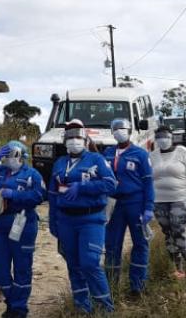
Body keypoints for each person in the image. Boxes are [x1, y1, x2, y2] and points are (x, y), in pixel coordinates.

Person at [47, 119, 117, 314]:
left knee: (90, 263)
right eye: (69, 136)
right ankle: (82, 306)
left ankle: (105, 308)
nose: (73, 140)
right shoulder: (60, 163)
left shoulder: (96, 160)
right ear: (64, 140)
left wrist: (83, 187)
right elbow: (52, 195)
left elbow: (111, 184)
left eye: (77, 136)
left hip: (91, 219)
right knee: (73, 264)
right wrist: (53, 221)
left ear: (85, 139)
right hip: (66, 220)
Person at [0, 141, 45, 318]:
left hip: (23, 222)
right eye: (5, 154)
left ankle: (19, 308)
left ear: (20, 156)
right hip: (0, 223)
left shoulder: (32, 174)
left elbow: (39, 196)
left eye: (11, 154)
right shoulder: (0, 171)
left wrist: (14, 194)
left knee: (22, 267)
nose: (8, 158)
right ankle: (12, 301)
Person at [103, 118, 154, 298]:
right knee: (111, 244)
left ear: (130, 130)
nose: (118, 131)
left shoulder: (140, 154)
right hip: (114, 204)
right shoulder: (108, 153)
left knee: (140, 243)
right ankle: (110, 285)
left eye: (122, 128)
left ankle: (137, 286)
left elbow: (148, 183)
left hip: (135, 203)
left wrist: (148, 207)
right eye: (115, 128)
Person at [149, 125, 186, 279]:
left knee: (179, 231)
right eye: (158, 136)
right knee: (168, 233)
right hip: (159, 200)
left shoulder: (183, 152)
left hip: (182, 199)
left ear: (171, 137)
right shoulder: (152, 156)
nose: (162, 139)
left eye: (165, 135)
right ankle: (177, 269)